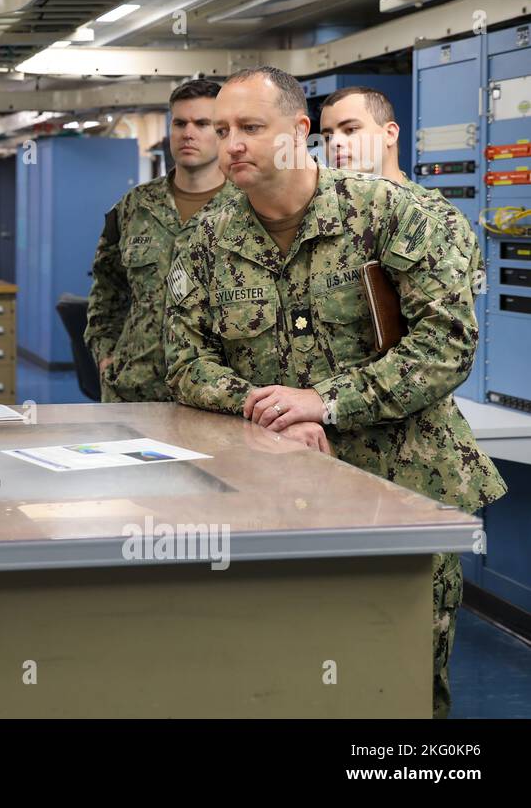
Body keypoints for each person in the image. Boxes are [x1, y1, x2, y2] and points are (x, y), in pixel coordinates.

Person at [164, 65, 506, 718]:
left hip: (402, 492)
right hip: (270, 498)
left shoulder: (397, 215)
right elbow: (185, 363)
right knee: (282, 676)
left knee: (401, 681)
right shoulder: (206, 239)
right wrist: (267, 408)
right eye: (218, 128)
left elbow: (444, 348)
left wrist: (325, 403)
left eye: (248, 128)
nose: (227, 143)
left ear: (298, 132)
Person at [84, 79, 236, 402]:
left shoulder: (245, 208)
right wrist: (105, 355)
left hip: (212, 397)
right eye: (180, 123)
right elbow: (106, 287)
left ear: (223, 132)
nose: (188, 133)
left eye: (202, 123)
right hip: (130, 392)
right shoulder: (134, 206)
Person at [319, 85, 485, 299]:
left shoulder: (436, 218)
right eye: (327, 137)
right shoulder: (324, 217)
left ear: (390, 134)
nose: (336, 143)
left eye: (350, 129)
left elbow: (446, 324)